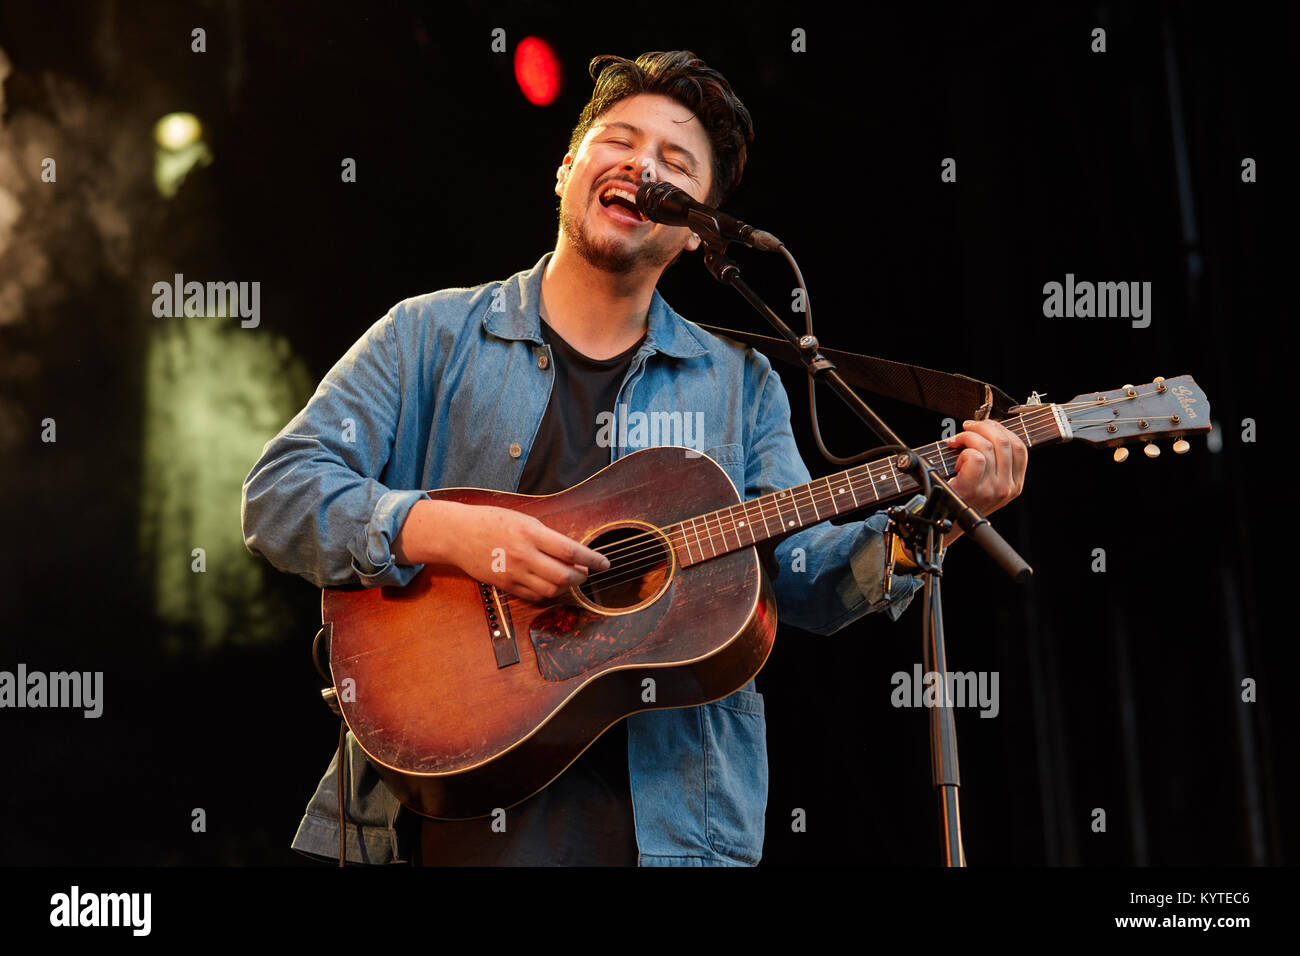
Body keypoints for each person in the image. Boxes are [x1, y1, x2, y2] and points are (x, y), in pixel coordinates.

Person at [241, 50, 1027, 867]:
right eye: (619, 141)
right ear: (565, 169)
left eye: (674, 165)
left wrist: (933, 519)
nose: (641, 166)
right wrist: (448, 531)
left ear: (694, 234)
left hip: (667, 838)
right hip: (432, 822)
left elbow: (804, 581)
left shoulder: (743, 384)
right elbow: (280, 494)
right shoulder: (429, 337)